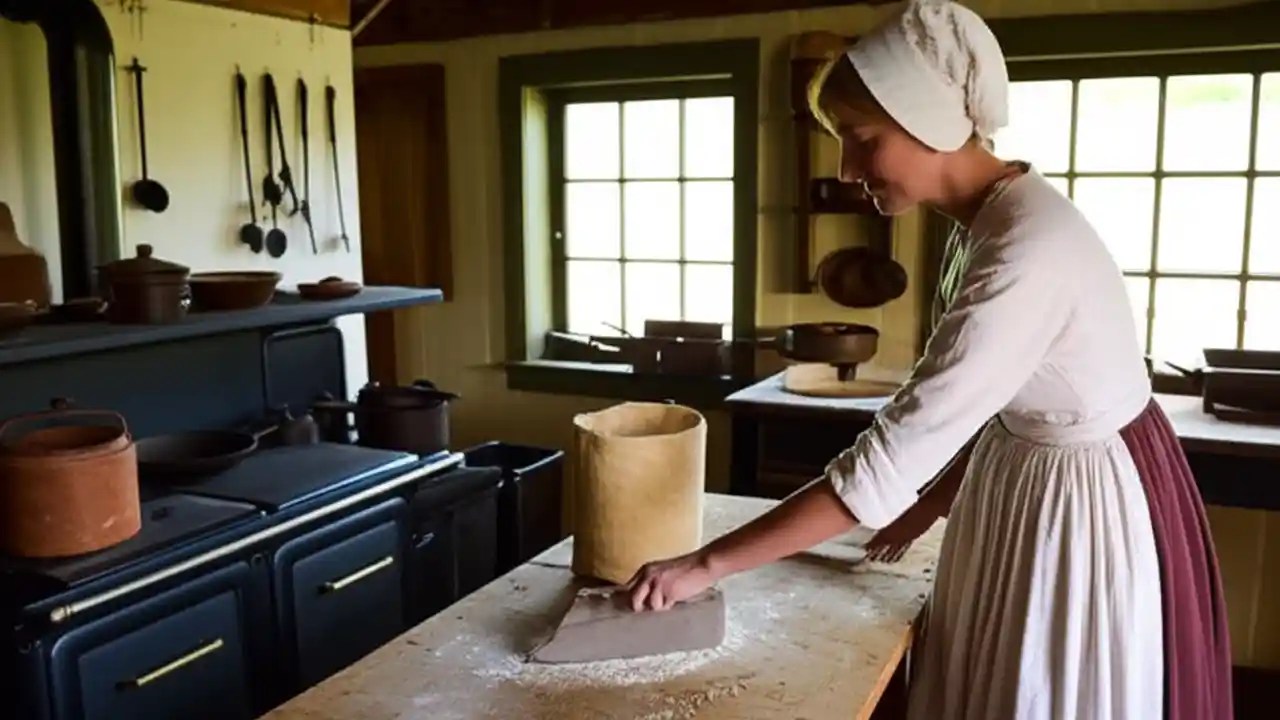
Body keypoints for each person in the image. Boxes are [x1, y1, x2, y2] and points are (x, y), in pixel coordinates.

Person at [624, 1, 1233, 718]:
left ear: (927, 121)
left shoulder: (1025, 249)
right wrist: (932, 507)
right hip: (1029, 471)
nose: (849, 168)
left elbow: (884, 463)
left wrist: (704, 563)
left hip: (1080, 505)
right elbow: (993, 407)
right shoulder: (989, 221)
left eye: (860, 138)